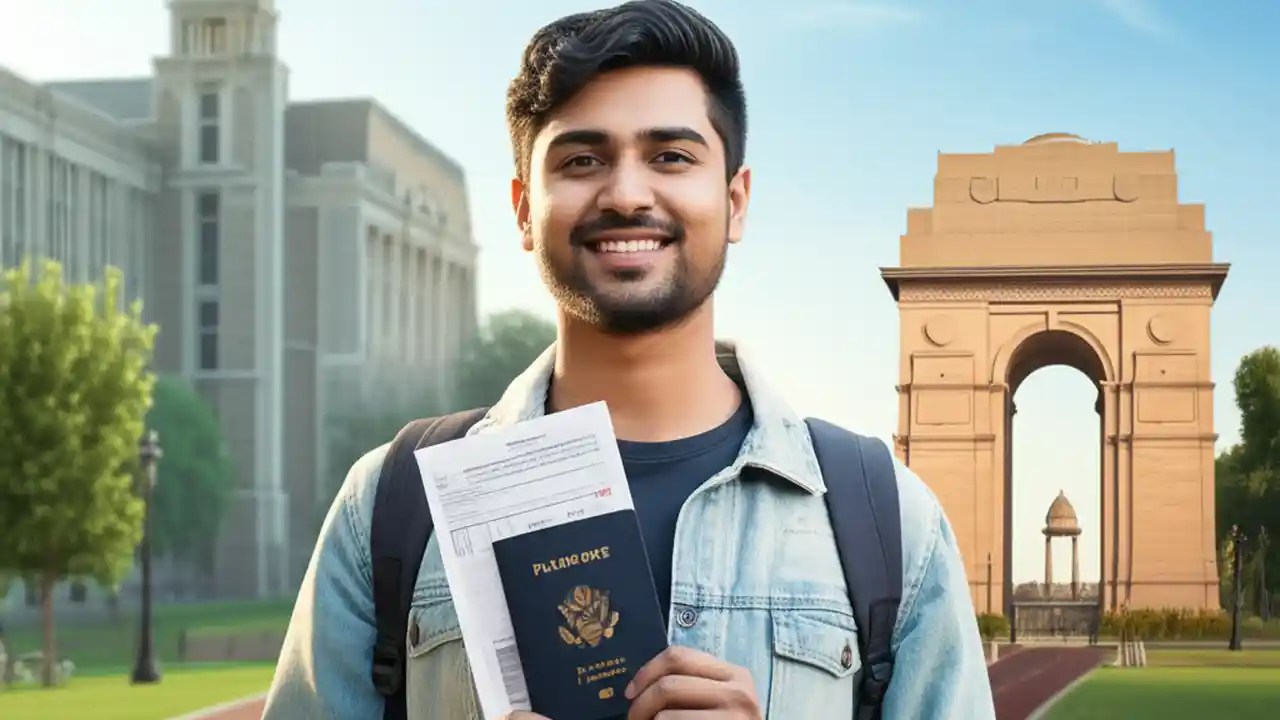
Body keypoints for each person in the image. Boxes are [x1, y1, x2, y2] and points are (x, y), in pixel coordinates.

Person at [263, 1, 995, 718]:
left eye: (670, 157)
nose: (625, 194)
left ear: (736, 202)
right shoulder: (390, 507)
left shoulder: (889, 522)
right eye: (582, 160)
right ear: (523, 209)